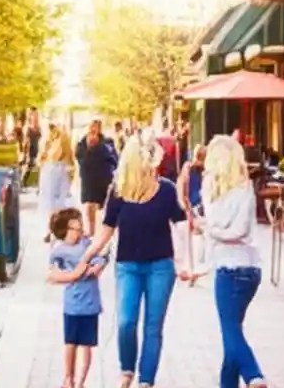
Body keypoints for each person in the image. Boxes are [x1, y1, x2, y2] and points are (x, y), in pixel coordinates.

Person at [74, 136, 186, 388]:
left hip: (161, 267)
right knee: (126, 322)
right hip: (128, 267)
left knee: (153, 326)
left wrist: (184, 260)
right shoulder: (119, 191)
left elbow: (180, 224)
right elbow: (106, 230)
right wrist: (86, 256)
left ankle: (146, 379)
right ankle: (127, 369)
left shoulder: (166, 190)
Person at [192, 135, 269, 388]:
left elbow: (227, 229)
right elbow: (241, 231)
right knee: (232, 331)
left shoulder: (212, 189)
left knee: (230, 332)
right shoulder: (246, 190)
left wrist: (210, 230)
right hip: (251, 269)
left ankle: (253, 375)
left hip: (228, 269)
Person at [48, 207, 107, 388]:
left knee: (87, 344)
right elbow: (52, 275)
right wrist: (73, 275)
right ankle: (68, 378)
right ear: (65, 230)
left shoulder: (87, 244)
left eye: (81, 227)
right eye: (76, 228)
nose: (80, 231)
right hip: (72, 304)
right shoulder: (58, 250)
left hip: (90, 303)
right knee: (70, 343)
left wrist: (95, 268)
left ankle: (81, 381)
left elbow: (100, 260)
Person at [76, 120, 117, 236]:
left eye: (96, 128)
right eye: (91, 128)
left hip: (102, 178)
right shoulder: (82, 143)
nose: (93, 130)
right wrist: (89, 146)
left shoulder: (107, 143)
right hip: (88, 178)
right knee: (89, 205)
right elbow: (80, 157)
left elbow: (114, 159)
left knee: (101, 206)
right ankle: (91, 231)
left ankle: (103, 231)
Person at [174, 144, 209, 284]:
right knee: (198, 237)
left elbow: (180, 187)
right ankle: (195, 269)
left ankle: (193, 268)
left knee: (195, 238)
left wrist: (184, 205)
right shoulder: (200, 170)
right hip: (199, 206)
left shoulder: (189, 168)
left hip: (193, 206)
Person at [39, 125, 77, 242]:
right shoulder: (64, 139)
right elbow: (70, 157)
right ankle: (55, 229)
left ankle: (50, 229)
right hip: (61, 169)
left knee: (48, 201)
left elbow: (41, 157)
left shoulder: (47, 140)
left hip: (50, 169)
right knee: (59, 202)